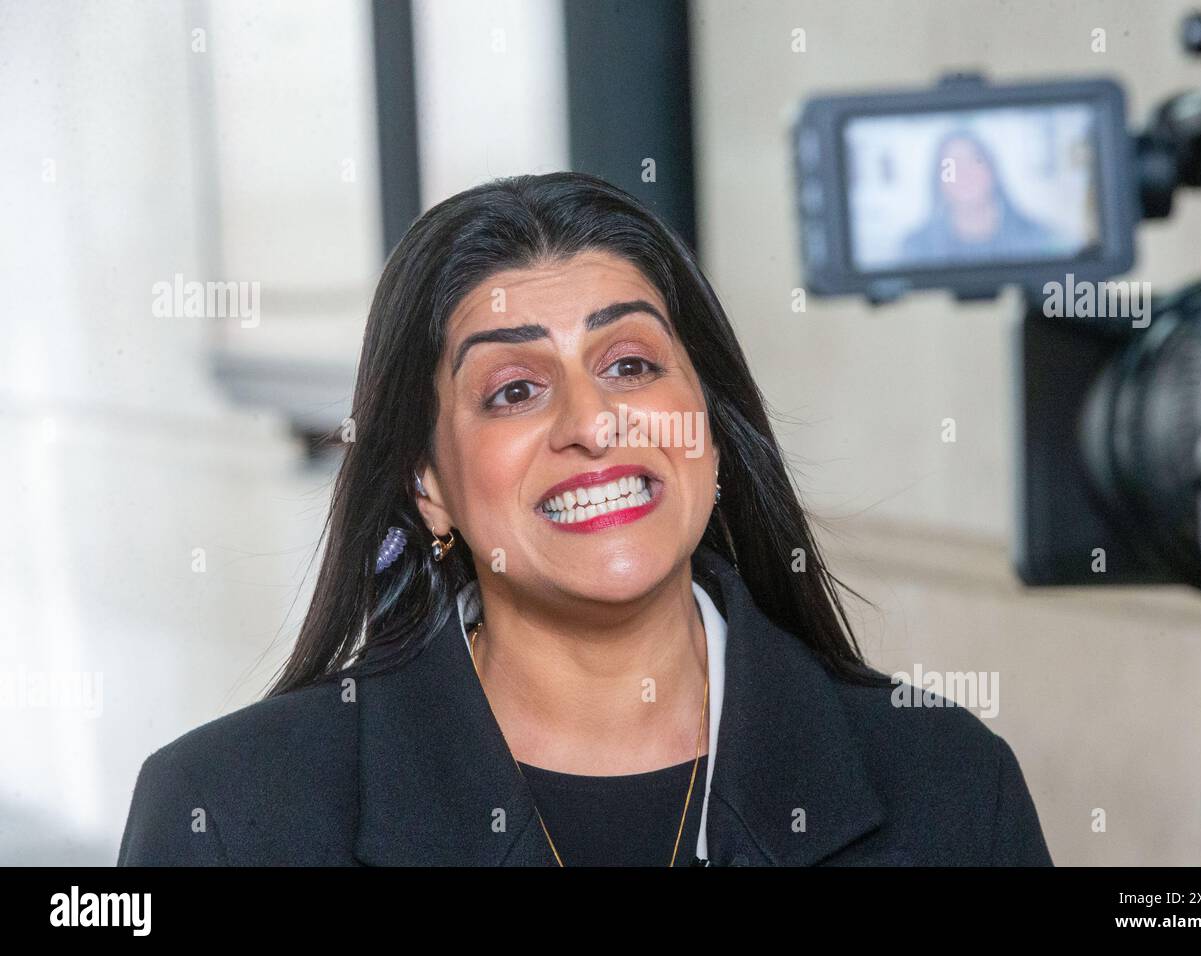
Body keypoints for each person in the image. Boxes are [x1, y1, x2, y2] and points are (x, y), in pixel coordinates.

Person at [116, 171, 1053, 866]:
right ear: (427, 484)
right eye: (515, 389)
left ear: (710, 434)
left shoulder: (949, 787)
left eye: (631, 365)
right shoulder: (231, 815)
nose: (592, 424)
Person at [901, 129, 1066, 265]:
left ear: (992, 171)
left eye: (974, 161)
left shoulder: (1039, 239)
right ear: (938, 181)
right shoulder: (915, 248)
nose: (964, 174)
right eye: (951, 166)